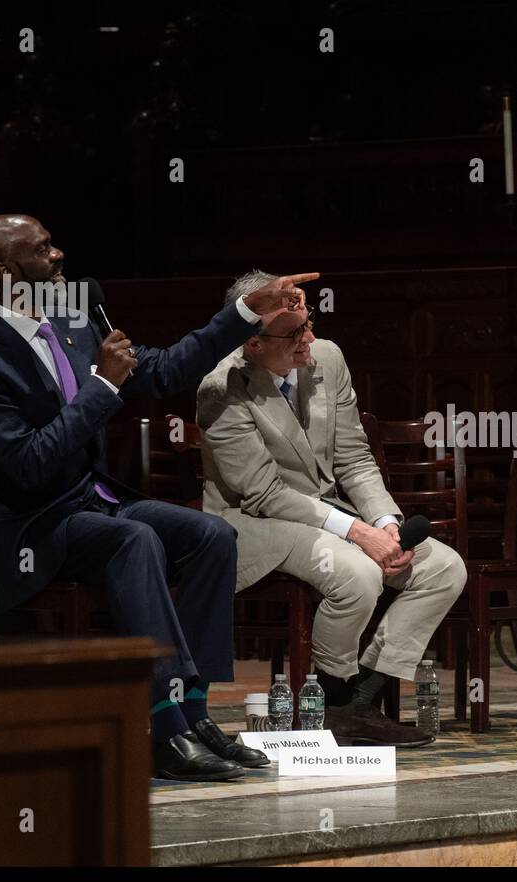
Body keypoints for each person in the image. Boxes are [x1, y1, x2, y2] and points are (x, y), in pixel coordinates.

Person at [0, 213, 318, 780]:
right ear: (5, 270)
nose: (59, 255)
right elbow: (25, 467)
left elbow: (162, 371)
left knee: (212, 534)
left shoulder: (72, 317)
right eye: (43, 249)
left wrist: (246, 315)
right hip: (36, 523)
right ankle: (162, 727)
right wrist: (100, 387)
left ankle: (194, 714)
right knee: (133, 539)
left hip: (93, 503)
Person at [196, 269, 467, 747]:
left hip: (324, 512)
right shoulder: (221, 387)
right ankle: (334, 702)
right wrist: (358, 534)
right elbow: (262, 493)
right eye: (295, 333)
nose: (310, 339)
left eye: (309, 322)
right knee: (356, 574)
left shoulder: (327, 358)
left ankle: (360, 698)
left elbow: (353, 457)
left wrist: (387, 525)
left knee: (444, 567)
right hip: (251, 522)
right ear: (253, 343)